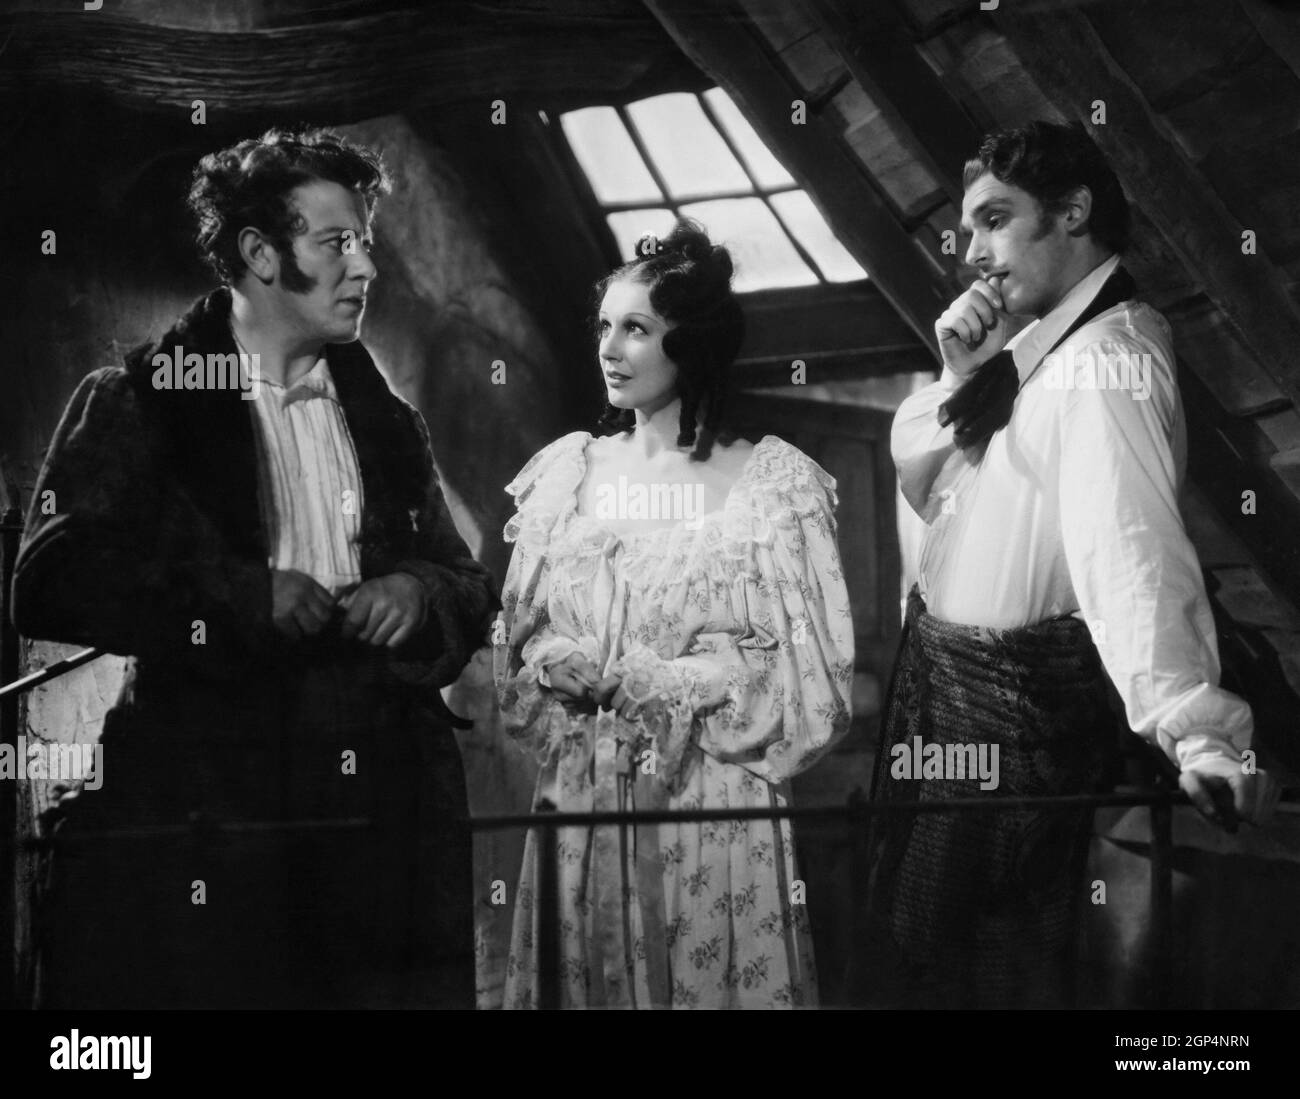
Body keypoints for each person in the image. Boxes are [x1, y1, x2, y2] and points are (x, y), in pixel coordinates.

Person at [12, 127, 498, 1008]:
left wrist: (416, 590)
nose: (364, 269)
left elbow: (469, 584)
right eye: (336, 242)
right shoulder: (140, 400)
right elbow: (51, 576)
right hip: (216, 800)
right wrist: (239, 595)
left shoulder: (388, 423)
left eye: (366, 244)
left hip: (383, 811)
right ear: (259, 253)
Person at [870, 120, 1279, 1008]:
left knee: (987, 968)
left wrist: (1198, 730)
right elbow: (931, 493)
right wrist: (960, 373)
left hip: (1010, 730)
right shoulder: (1042, 351)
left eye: (994, 219)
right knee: (941, 959)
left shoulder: (1106, 361)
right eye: (968, 227)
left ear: (1073, 211)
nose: (972, 251)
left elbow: (1131, 555)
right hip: (950, 722)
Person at [492, 220, 854, 1009]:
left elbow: (807, 677)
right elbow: (516, 640)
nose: (609, 348)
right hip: (586, 793)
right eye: (603, 327)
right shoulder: (567, 473)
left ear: (688, 343)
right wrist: (554, 656)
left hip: (713, 799)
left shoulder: (769, 486)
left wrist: (674, 679)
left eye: (636, 329)